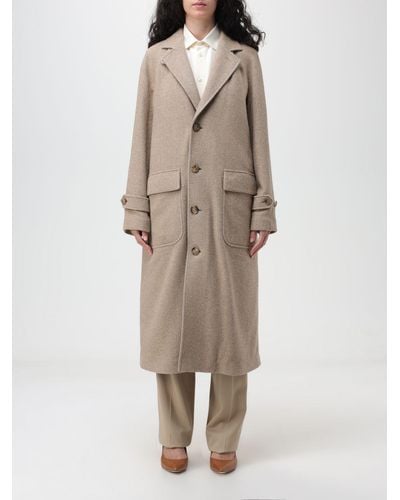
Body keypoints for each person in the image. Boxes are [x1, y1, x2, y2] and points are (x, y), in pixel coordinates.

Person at [120, 0, 277, 474]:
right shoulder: (157, 58)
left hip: (228, 208)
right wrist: (137, 207)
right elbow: (142, 134)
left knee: (231, 325)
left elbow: (260, 137)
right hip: (170, 208)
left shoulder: (244, 59)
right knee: (169, 323)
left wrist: (263, 208)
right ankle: (173, 435)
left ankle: (225, 437)